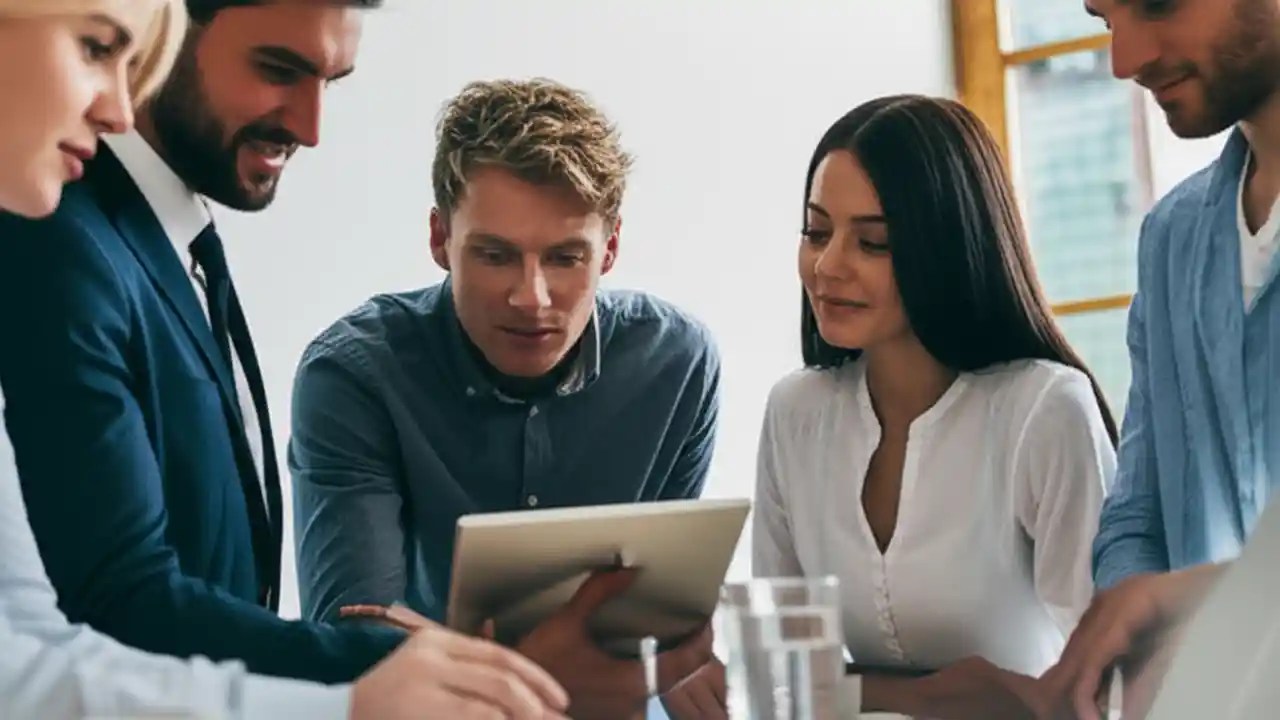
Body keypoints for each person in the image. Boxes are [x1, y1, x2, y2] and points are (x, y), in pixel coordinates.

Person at [0, 2, 569, 718]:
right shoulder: (56, 239)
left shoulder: (170, 235)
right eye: (276, 69)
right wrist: (409, 675)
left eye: (331, 82)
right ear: (170, 33)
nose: (311, 127)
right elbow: (115, 602)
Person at [289, 77, 719, 718]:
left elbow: (655, 610)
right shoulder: (354, 375)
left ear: (610, 249)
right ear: (440, 239)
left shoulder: (678, 364)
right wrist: (555, 665)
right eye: (495, 256)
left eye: (566, 258)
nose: (531, 298)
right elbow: (354, 639)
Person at [724, 94, 1119, 719]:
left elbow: (1115, 681)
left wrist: (852, 686)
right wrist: (926, 697)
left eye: (873, 243)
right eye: (817, 233)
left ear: (948, 246)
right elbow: (777, 679)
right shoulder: (795, 411)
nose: (828, 266)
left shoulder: (1043, 409)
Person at [1084, 0, 1280, 591]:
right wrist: (1136, 607)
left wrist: (1189, 607)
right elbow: (1136, 519)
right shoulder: (1172, 236)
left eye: (1157, 3)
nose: (1124, 61)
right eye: (1106, 21)